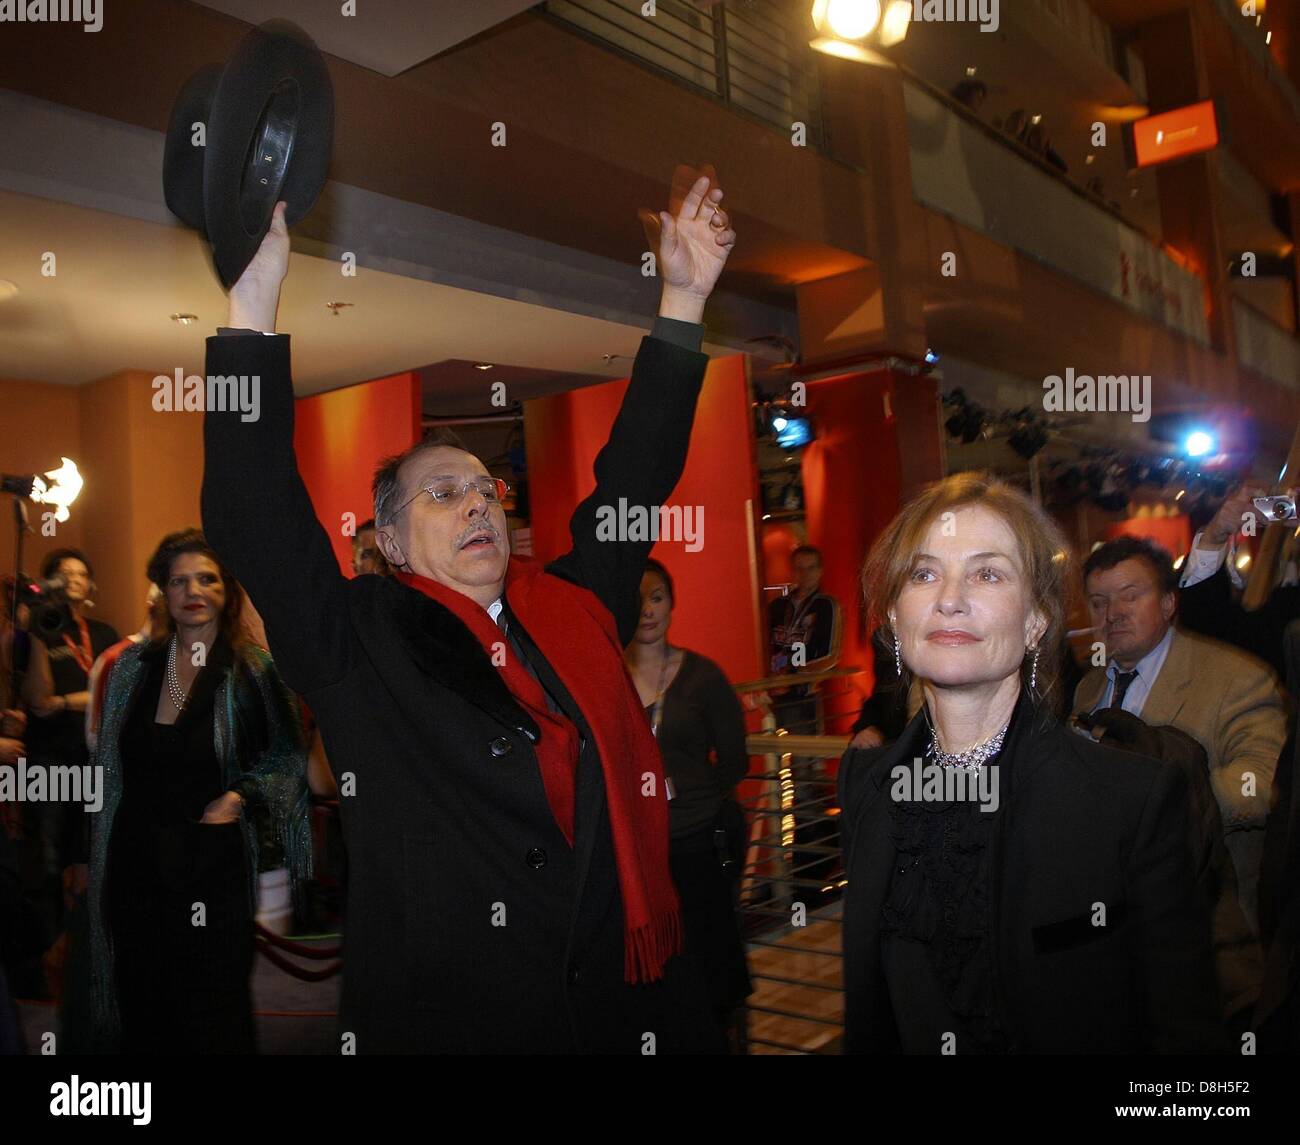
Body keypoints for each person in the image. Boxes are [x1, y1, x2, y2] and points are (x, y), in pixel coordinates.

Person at [201, 170, 737, 1053]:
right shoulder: (358, 640)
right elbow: (253, 512)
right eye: (442, 493)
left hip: (614, 1007)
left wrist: (682, 299)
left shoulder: (570, 603)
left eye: (486, 488)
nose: (479, 503)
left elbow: (637, 473)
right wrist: (252, 303)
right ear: (393, 541)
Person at [839, 472, 1225, 1053]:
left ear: (1036, 620)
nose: (949, 598)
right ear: (895, 618)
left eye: (987, 573)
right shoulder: (866, 786)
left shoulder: (1131, 801)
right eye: (923, 574)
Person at [86, 529, 311, 1052]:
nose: (193, 590)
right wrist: (88, 854)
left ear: (226, 589)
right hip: (135, 860)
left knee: (210, 1003)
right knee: (142, 994)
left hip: (209, 863)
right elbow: (108, 771)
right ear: (162, 592)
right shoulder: (133, 670)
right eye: (178, 580)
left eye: (206, 578)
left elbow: (288, 759)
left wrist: (239, 798)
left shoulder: (254, 670)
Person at [1073, 536, 1287, 935]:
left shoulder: (1236, 679)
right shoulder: (1087, 687)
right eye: (1099, 602)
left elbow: (1260, 785)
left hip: (1206, 919)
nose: (1113, 613)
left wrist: (1161, 805)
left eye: (1130, 596)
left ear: (1169, 603)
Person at [624, 558, 752, 1049]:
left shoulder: (703, 677)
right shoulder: (610, 677)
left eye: (657, 597)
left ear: (672, 605)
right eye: (638, 599)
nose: (648, 609)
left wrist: (694, 798)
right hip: (639, 848)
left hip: (698, 842)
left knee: (712, 960)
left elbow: (735, 759)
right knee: (658, 968)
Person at [15, 549, 118, 998]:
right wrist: (37, 631)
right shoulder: (35, 633)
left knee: (94, 856)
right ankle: (46, 966)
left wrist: (67, 702)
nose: (74, 579)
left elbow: (113, 692)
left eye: (82, 572)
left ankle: (91, 956)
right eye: (63, 573)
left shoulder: (104, 632)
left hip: (94, 757)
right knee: (48, 860)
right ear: (50, 583)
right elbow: (39, 700)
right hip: (46, 762)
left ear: (91, 586)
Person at [768, 544, 842, 901]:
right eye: (799, 567)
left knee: (805, 770)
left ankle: (814, 850)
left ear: (820, 570)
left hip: (806, 699)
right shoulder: (778, 607)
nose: (804, 574)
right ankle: (804, 847)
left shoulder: (826, 606)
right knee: (782, 771)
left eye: (811, 567)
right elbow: (770, 649)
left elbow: (829, 655)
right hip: (780, 697)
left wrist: (801, 674)